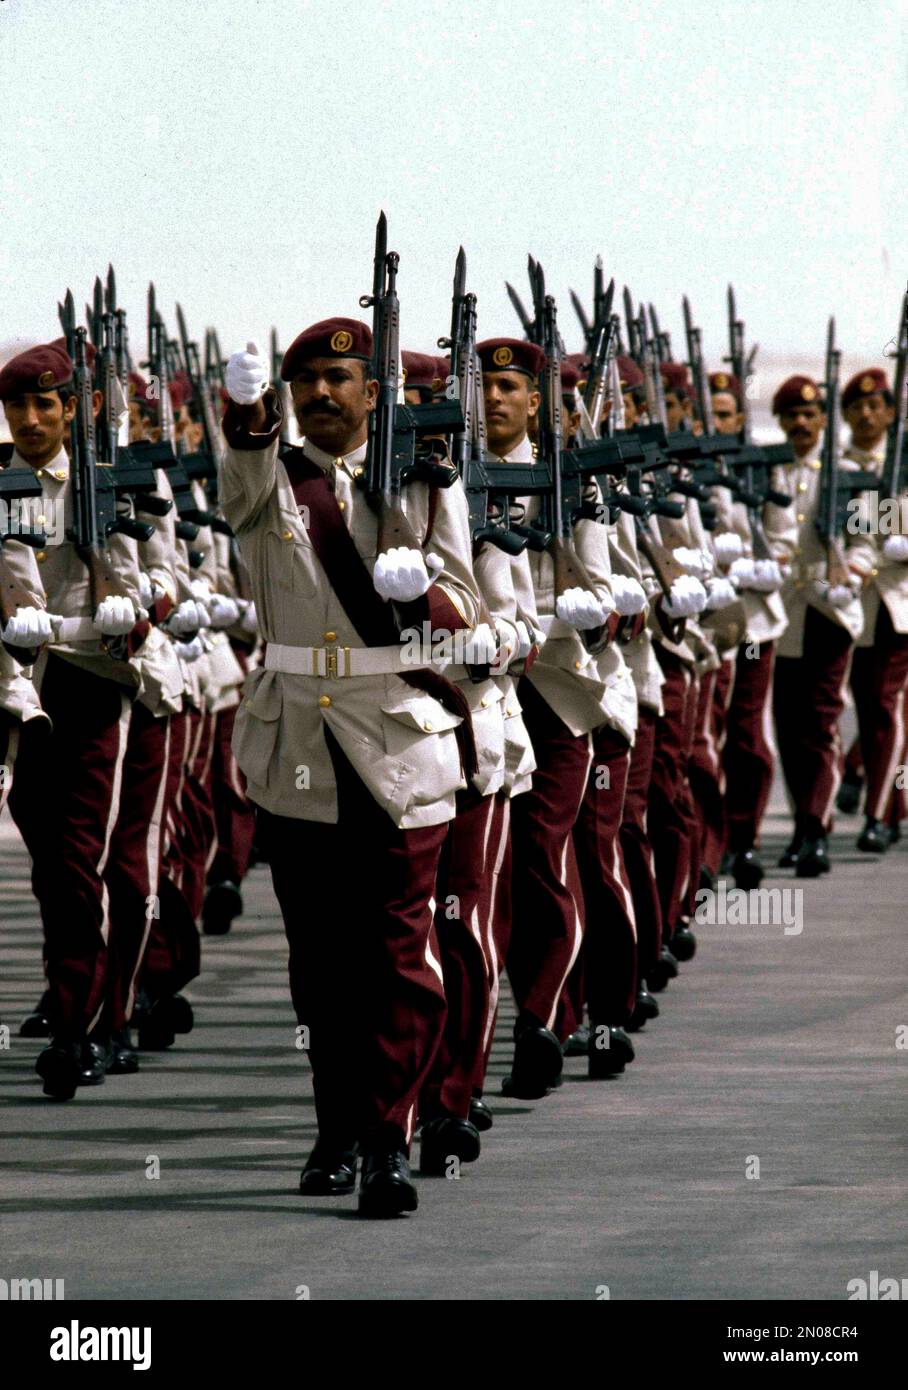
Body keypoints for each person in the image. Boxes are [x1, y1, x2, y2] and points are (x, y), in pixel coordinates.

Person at [220, 319, 482, 1218]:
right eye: (307, 385)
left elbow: (470, 606)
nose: (323, 395)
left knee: (401, 957)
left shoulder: (422, 480)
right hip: (298, 746)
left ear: (376, 393)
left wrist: (427, 596)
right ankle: (337, 1127)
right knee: (321, 963)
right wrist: (246, 413)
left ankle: (387, 1140)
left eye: (341, 379)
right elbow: (243, 476)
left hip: (396, 745)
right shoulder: (270, 484)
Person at [770, 375, 864, 876]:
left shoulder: (847, 474)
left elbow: (870, 541)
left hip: (830, 613)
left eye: (809, 416)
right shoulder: (769, 474)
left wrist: (853, 575)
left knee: (823, 719)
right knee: (789, 725)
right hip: (784, 616)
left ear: (824, 420)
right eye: (792, 416)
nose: (801, 424)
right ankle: (804, 827)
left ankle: (816, 826)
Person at [840, 367, 908, 852]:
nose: (867, 414)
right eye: (857, 407)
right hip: (851, 606)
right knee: (870, 704)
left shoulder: (904, 461)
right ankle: (861, 769)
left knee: (886, 705)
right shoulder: (838, 470)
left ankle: (880, 814)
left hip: (899, 601)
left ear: (889, 411)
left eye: (875, 406)